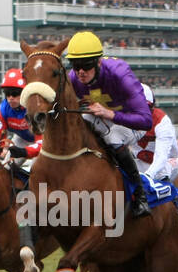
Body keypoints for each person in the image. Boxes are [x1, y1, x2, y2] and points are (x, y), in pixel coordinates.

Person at [65, 30, 153, 218]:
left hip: (132, 117)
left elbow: (146, 121)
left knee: (113, 135)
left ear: (98, 62)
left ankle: (140, 194)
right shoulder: (72, 78)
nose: (80, 72)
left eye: (86, 66)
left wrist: (110, 114)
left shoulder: (120, 73)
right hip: (101, 112)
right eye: (75, 65)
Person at [0, 67, 42, 183]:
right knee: (5, 168)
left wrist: (23, 152)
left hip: (44, 142)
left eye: (15, 93)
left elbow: (41, 145)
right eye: (7, 94)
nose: (10, 98)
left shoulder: (35, 109)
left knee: (36, 171)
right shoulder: (2, 110)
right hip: (22, 139)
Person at [131, 84, 178, 183]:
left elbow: (161, 156)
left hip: (166, 162)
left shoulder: (162, 121)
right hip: (140, 162)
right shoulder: (125, 118)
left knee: (161, 174)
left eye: (144, 106)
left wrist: (148, 175)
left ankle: (171, 196)